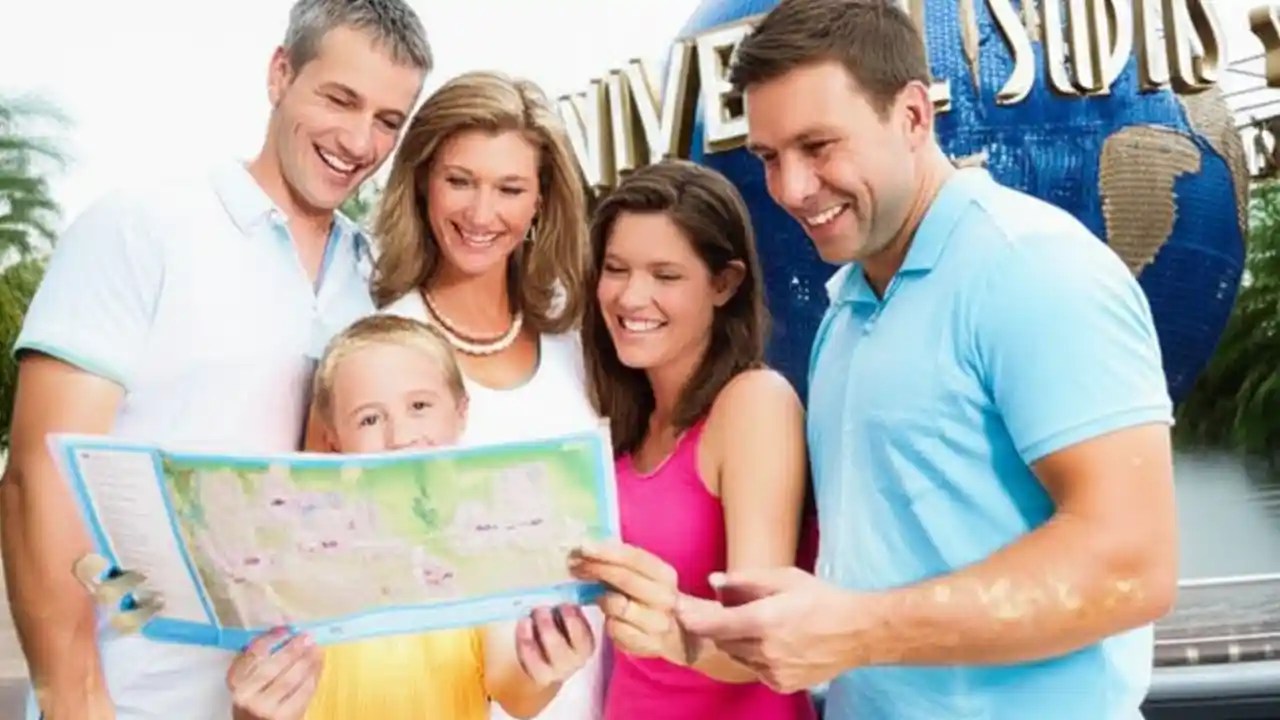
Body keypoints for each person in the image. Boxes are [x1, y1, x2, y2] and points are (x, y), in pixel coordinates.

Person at [673, 1, 1179, 719]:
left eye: (819, 146)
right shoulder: (847, 309)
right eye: (768, 157)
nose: (789, 189)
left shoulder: (1032, 268)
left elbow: (1132, 564)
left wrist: (856, 630)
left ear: (913, 115)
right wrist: (675, 621)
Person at [2, 2, 432, 718]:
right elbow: (38, 475)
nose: (360, 140)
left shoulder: (372, 281)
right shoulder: (142, 228)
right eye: (339, 98)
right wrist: (74, 697)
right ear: (280, 73)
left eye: (389, 120)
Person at [318, 69, 607, 720]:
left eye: (509, 188)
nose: (481, 214)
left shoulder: (580, 332)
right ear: (422, 182)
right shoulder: (375, 346)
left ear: (541, 201)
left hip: (587, 691)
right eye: (460, 181)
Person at [220, 314, 598, 720]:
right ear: (333, 439)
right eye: (369, 418)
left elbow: (516, 695)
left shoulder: (481, 548)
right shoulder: (294, 557)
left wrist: (546, 666)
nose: (399, 436)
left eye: (419, 406)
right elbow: (264, 702)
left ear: (461, 413)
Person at [567, 160, 817, 720]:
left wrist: (671, 626)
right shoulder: (622, 419)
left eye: (665, 275)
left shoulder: (754, 403)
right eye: (616, 268)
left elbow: (763, 636)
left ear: (724, 283)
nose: (632, 297)